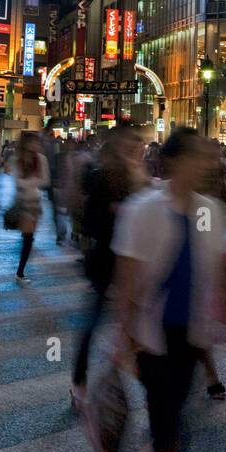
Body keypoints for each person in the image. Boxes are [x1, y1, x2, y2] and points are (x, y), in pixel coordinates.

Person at [111, 128, 226, 452]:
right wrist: (125, 340)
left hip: (192, 337)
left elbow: (217, 275)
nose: (208, 163)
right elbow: (127, 282)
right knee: (168, 422)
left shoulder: (211, 212)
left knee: (182, 417)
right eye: (199, 156)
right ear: (176, 161)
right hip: (153, 336)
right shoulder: (143, 210)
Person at [70, 125, 150, 408]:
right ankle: (79, 380)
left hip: (137, 264)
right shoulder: (101, 175)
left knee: (140, 326)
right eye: (130, 142)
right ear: (117, 144)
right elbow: (90, 222)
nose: (135, 147)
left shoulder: (142, 176)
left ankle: (149, 385)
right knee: (92, 323)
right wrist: (115, 211)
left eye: (138, 143)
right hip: (107, 260)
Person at [10, 132, 50, 285]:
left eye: (37, 142)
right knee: (28, 238)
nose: (35, 145)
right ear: (25, 143)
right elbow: (17, 182)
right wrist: (34, 181)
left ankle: (20, 271)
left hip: (35, 203)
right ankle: (20, 272)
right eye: (32, 142)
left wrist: (28, 182)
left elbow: (45, 181)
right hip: (22, 203)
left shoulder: (41, 159)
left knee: (29, 238)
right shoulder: (16, 160)